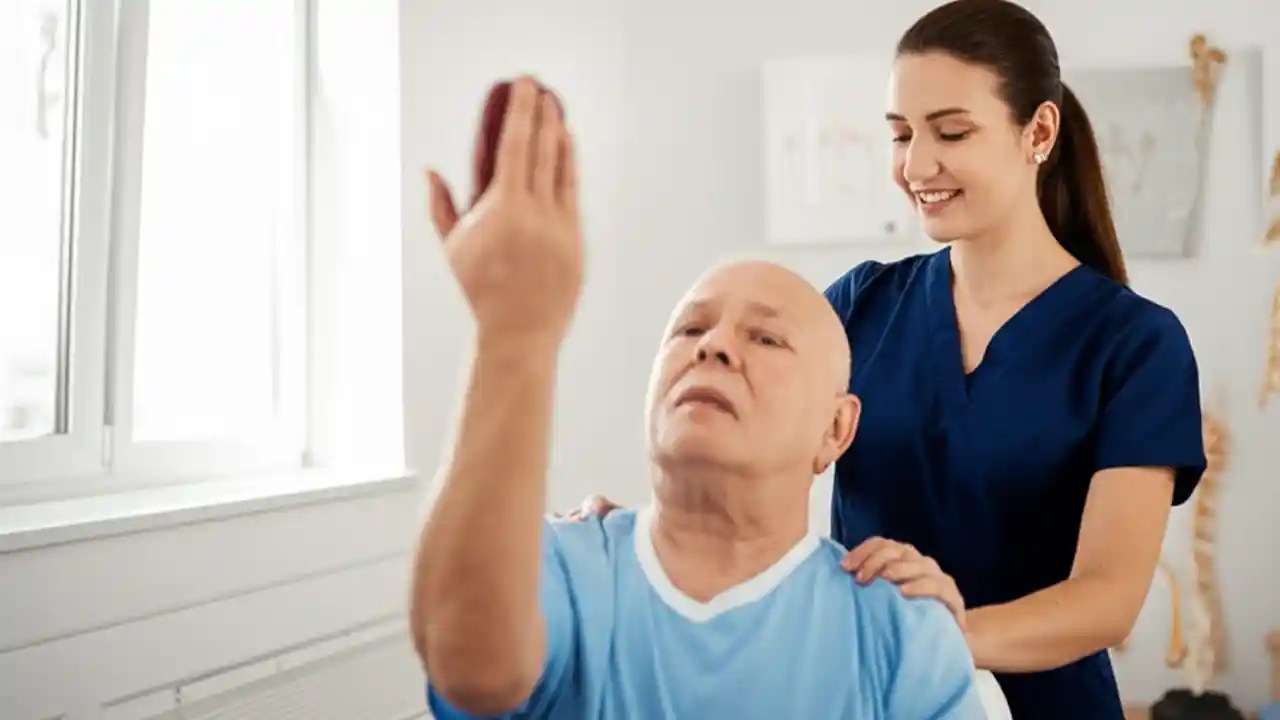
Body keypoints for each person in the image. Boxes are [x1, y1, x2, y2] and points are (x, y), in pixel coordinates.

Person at [567, 1, 1208, 718]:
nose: (915, 165)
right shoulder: (859, 305)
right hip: (866, 698)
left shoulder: (1136, 345)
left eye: (951, 132)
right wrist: (631, 549)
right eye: (901, 134)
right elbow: (745, 465)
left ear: (1040, 132)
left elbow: (1106, 601)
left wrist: (932, 636)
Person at [410, 77, 1003, 719]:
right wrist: (514, 331)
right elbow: (472, 671)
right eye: (690, 329)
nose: (712, 346)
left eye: (768, 338)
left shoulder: (904, 628)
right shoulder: (559, 567)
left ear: (836, 429)